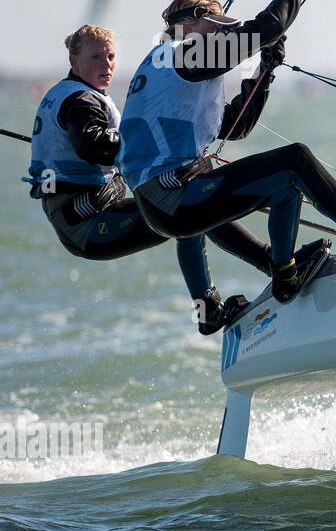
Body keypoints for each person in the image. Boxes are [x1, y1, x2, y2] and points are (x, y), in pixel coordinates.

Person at [118, 0, 336, 315]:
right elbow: (266, 28)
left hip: (166, 201)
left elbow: (234, 127)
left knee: (285, 182)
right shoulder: (181, 52)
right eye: (217, 26)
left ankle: (286, 275)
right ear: (193, 22)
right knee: (296, 160)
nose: (222, 36)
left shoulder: (169, 71)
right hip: (172, 199)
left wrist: (264, 72)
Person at [26, 24, 293, 335]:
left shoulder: (72, 95)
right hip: (86, 225)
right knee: (187, 210)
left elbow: (233, 124)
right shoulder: (80, 102)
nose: (106, 64)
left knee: (190, 207)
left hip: (87, 215)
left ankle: (216, 304)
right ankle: (263, 268)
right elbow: (92, 145)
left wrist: (263, 73)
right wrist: (139, 144)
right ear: (73, 60)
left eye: (111, 56)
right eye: (96, 57)